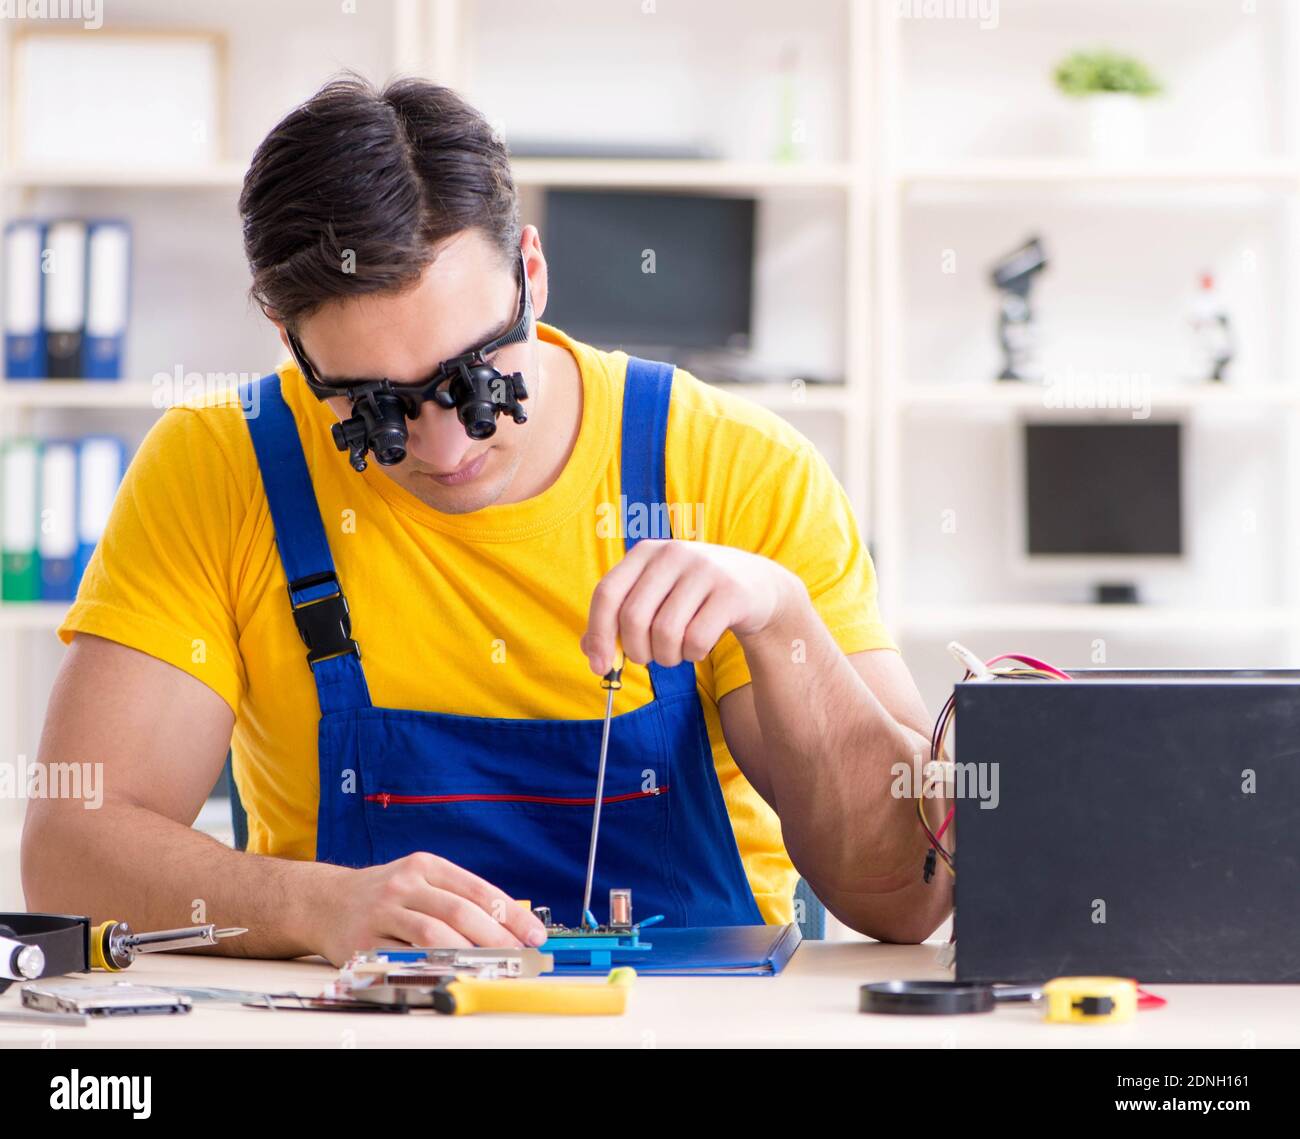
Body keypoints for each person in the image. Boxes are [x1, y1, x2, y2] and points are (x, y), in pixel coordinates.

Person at [23, 77, 950, 965]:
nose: (440, 446)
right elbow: (71, 852)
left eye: (475, 379)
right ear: (287, 337)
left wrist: (781, 621)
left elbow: (905, 895)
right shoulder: (220, 468)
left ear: (532, 274)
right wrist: (308, 902)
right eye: (375, 407)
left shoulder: (734, 465)